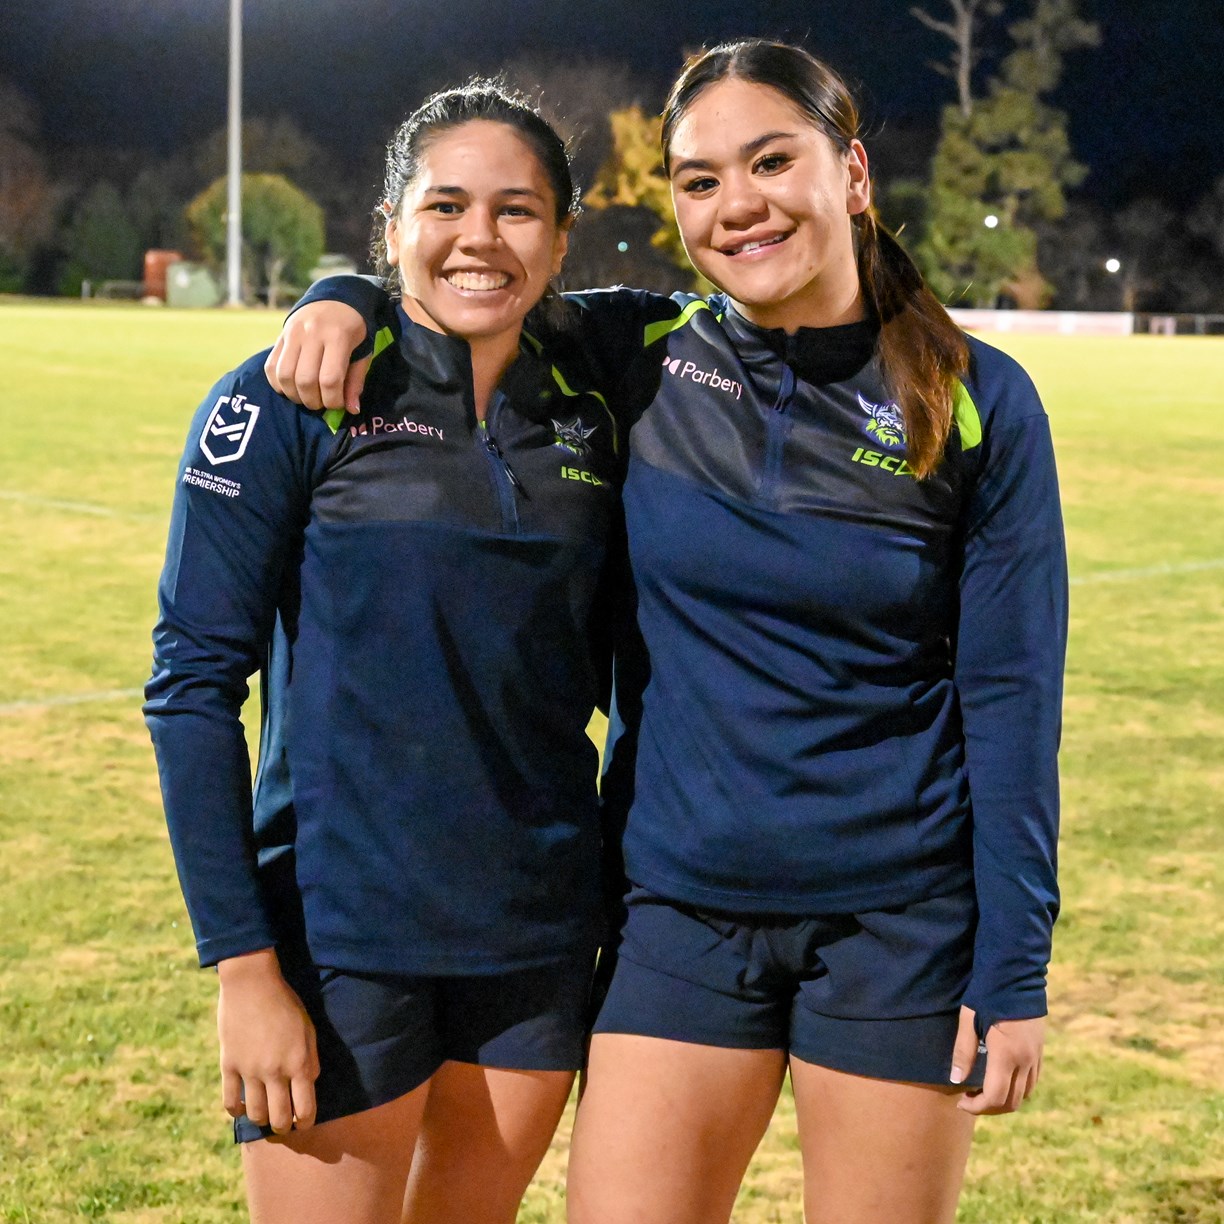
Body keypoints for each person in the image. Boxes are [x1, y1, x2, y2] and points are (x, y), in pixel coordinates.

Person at [269, 40, 1068, 1224]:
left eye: (771, 162)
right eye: (700, 180)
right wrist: (338, 294)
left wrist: (1014, 963)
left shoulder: (973, 400)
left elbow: (1011, 697)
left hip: (898, 923)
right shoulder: (637, 351)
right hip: (677, 916)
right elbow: (468, 281)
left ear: (851, 174)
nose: (737, 203)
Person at [144, 82, 625, 1224]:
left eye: (517, 210)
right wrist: (244, 968)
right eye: (445, 205)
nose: (479, 237)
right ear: (392, 224)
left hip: (537, 940)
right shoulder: (291, 400)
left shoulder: (602, 399)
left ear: (562, 237)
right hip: (340, 938)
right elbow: (192, 688)